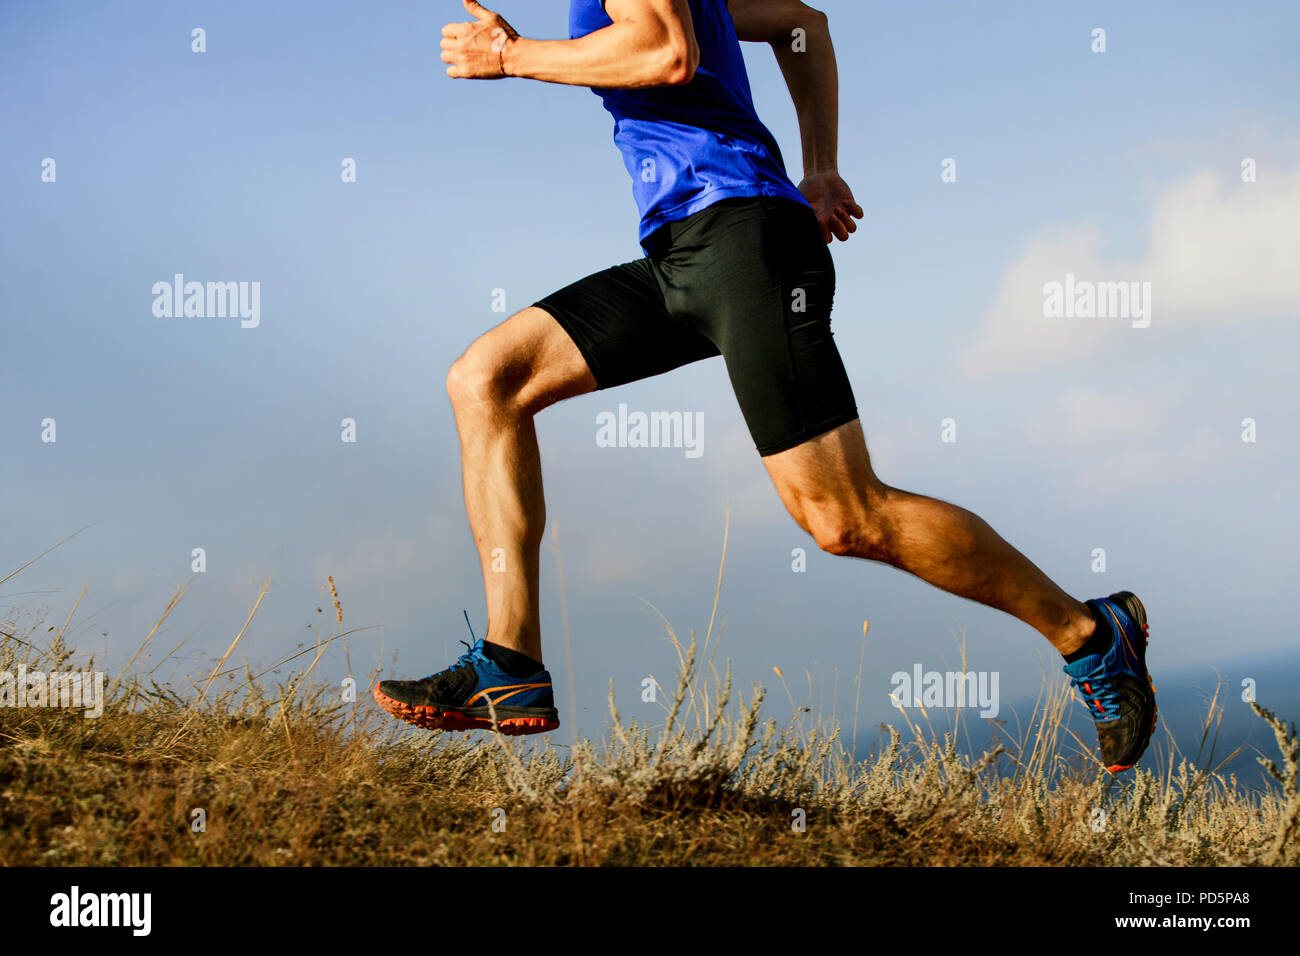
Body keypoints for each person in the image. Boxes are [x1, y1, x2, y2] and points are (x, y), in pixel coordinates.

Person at [373, 0, 1157, 773]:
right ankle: (511, 661)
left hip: (746, 241)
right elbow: (802, 24)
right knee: (487, 379)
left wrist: (511, 57)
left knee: (843, 517)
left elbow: (663, 52)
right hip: (683, 253)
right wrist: (819, 165)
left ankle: (1090, 634)